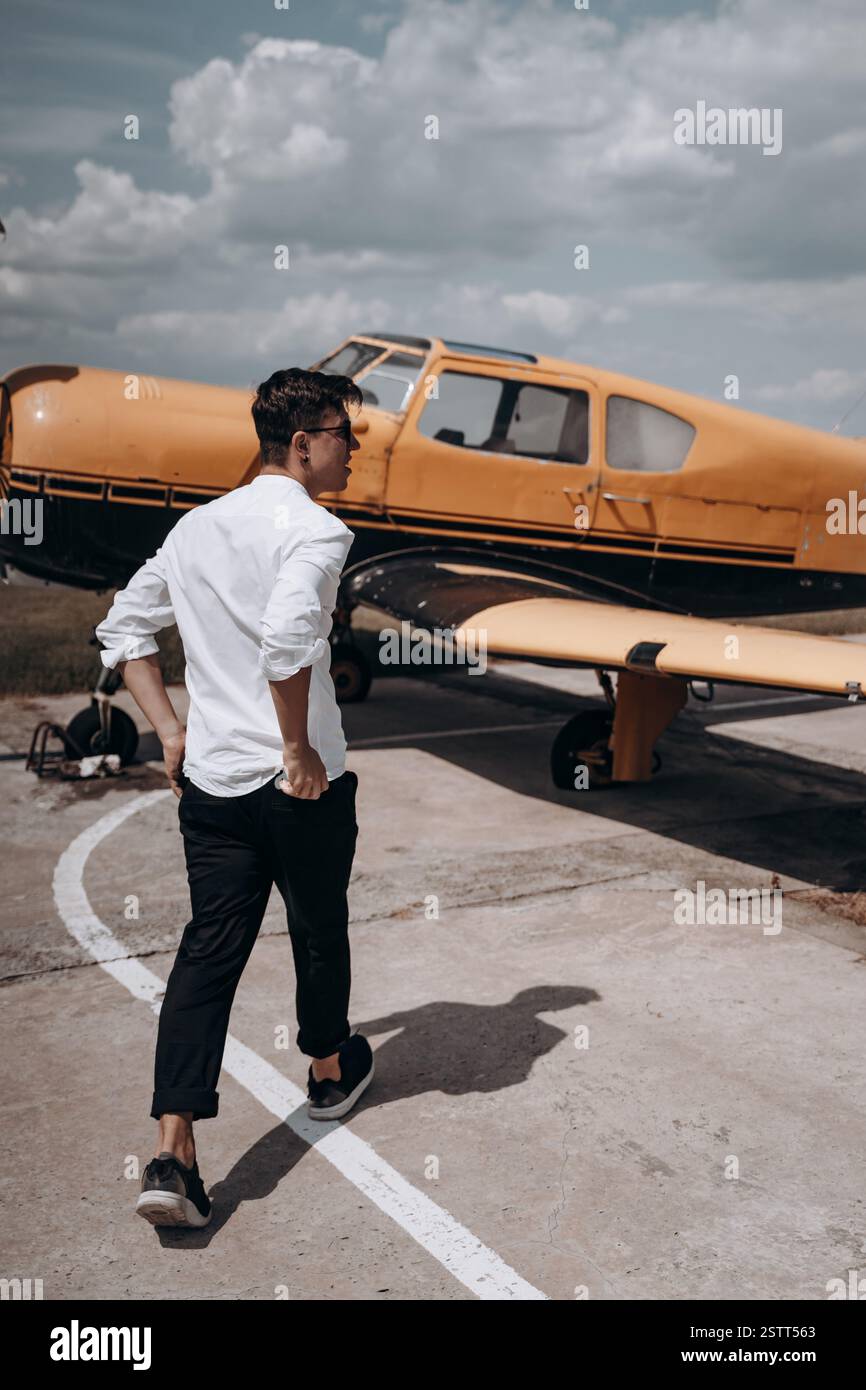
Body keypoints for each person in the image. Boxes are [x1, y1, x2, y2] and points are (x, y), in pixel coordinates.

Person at [94, 367, 374, 1229]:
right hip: (300, 785)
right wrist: (294, 749)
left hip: (211, 785)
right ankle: (328, 1073)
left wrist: (171, 733)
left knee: (208, 952)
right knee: (319, 926)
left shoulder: (195, 529)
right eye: (343, 435)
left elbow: (123, 629)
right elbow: (289, 641)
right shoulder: (319, 532)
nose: (353, 450)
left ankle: (172, 1150)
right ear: (301, 442)